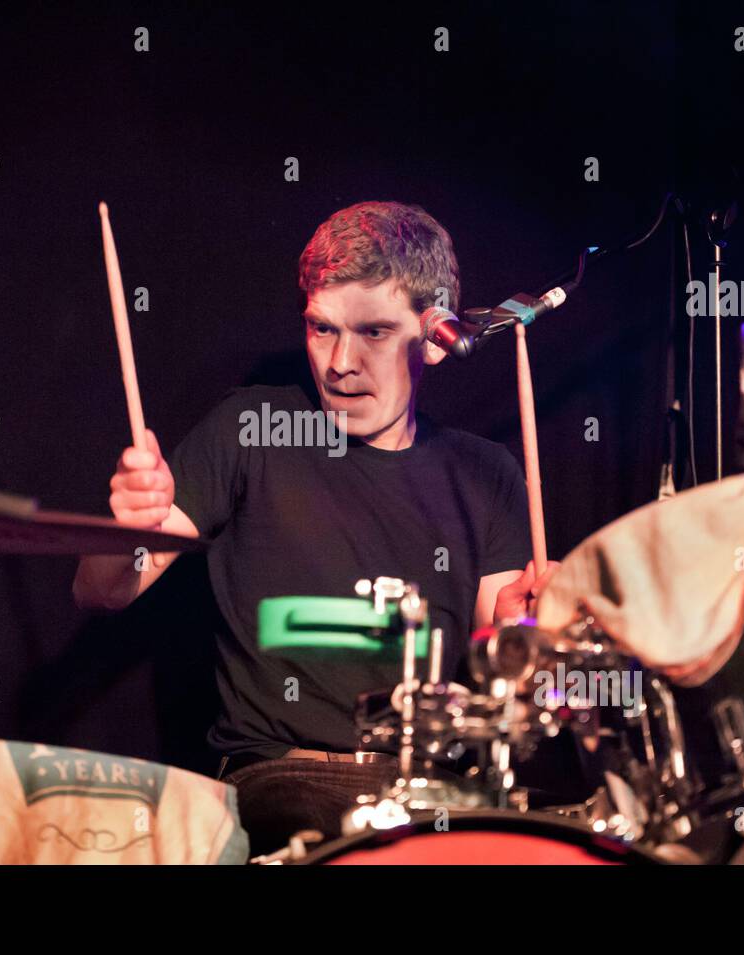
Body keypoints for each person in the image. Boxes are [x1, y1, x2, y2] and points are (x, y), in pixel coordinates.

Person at [73, 200, 557, 855]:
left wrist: (522, 635)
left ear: (437, 337)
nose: (338, 364)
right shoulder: (251, 429)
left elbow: (511, 690)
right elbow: (102, 591)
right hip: (284, 783)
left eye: (374, 333)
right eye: (322, 329)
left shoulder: (486, 473)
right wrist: (126, 525)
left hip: (432, 795)